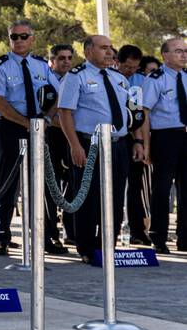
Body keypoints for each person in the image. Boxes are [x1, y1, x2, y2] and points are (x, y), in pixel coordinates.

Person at [57, 35, 136, 264]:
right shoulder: (76, 76)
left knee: (115, 197)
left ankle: (107, 246)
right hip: (89, 143)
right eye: (103, 48)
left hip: (118, 144)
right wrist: (75, 145)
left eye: (111, 47)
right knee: (88, 198)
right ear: (89, 51)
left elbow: (130, 110)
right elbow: (65, 112)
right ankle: (87, 248)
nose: (110, 52)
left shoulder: (118, 78)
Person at [0, 20, 57, 256]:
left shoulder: (41, 65)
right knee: (7, 183)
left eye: (23, 36)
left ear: (32, 38)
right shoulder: (0, 65)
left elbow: (57, 94)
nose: (18, 41)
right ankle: (2, 236)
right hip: (11, 127)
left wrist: (45, 119)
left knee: (41, 184)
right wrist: (26, 123)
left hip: (39, 126)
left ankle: (44, 236)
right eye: (14, 37)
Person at [139, 36, 187, 254]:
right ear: (165, 55)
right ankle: (158, 235)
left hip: (185, 136)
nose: (183, 55)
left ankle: (184, 237)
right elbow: (145, 112)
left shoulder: (186, 77)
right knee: (162, 188)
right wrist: (146, 144)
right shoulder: (155, 79)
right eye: (178, 51)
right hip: (165, 137)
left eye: (185, 51)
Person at [117, 44, 152, 244]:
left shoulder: (139, 81)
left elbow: (137, 114)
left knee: (136, 186)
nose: (131, 71)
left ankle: (137, 230)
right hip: (112, 136)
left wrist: (139, 141)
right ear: (118, 62)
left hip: (133, 136)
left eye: (135, 67)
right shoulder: (111, 77)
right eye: (127, 67)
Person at [42, 43, 76, 253]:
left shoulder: (76, 78)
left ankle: (71, 231)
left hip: (71, 137)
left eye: (69, 58)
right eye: (61, 58)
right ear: (52, 61)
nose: (66, 62)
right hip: (50, 136)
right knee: (49, 187)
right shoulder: (44, 79)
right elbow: (46, 113)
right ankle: (50, 234)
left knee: (74, 185)